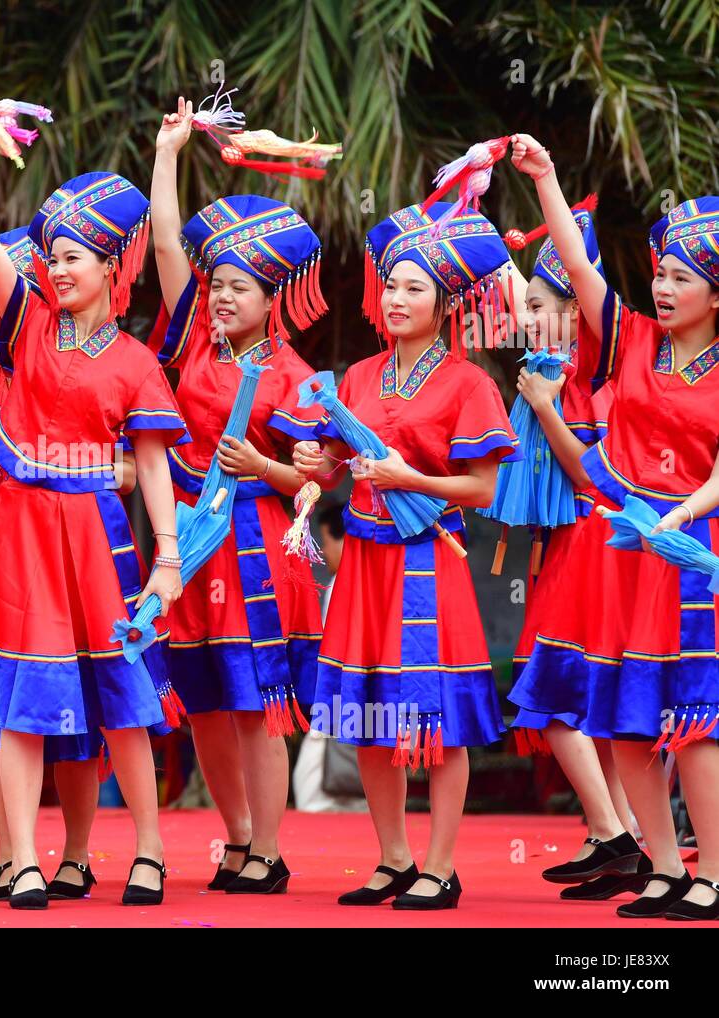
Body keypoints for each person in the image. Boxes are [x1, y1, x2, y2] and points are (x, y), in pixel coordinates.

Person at [0, 105, 188, 909]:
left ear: (112, 265)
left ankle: (149, 850)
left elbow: (152, 465)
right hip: (19, 532)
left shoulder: (135, 362)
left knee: (122, 700)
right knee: (21, 698)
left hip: (95, 536)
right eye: (50, 257)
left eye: (73, 258)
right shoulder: (28, 323)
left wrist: (167, 558)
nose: (56, 270)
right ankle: (22, 858)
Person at [508, 133, 719, 920]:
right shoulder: (629, 340)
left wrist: (684, 515)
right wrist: (545, 177)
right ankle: (661, 866)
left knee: (693, 720)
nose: (662, 287)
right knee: (627, 719)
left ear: (716, 295)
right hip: (623, 549)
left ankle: (711, 874)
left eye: (681, 278)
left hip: (691, 551)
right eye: (659, 274)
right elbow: (576, 261)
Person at [289, 200, 521, 910]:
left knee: (440, 720)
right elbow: (337, 467)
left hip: (431, 556)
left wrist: (410, 479)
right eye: (390, 284)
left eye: (413, 288)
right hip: (365, 559)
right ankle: (393, 858)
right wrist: (316, 462)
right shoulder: (359, 377)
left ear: (445, 304)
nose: (395, 298)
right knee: (366, 711)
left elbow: (483, 489)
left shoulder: (470, 383)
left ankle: (440, 866)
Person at [148, 97, 324, 894]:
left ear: (271, 297)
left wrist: (263, 465)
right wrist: (169, 152)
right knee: (205, 703)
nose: (221, 298)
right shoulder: (193, 340)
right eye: (216, 283)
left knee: (256, 706)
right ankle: (239, 835)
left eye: (238, 288)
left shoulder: (293, 373)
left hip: (257, 544)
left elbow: (316, 482)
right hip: (191, 537)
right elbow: (164, 242)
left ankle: (271, 851)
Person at [0, 229, 124, 901]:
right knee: (7, 709)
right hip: (8, 561)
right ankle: (14, 854)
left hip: (84, 549)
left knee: (82, 707)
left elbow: (130, 458)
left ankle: (76, 854)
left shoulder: (91, 366)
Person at [500, 205, 642, 900]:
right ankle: (616, 839)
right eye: (523, 305)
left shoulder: (599, 380)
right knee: (588, 699)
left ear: (571, 310)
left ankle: (614, 832)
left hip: (594, 543)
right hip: (571, 544)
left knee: (550, 695)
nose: (524, 318)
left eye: (537, 306)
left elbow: (593, 477)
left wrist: (546, 407)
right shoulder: (558, 370)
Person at [292, 504, 366, 813]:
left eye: (325, 541)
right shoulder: (358, 579)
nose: (323, 551)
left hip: (342, 687)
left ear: (344, 538)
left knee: (311, 791)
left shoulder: (344, 582)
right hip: (359, 688)